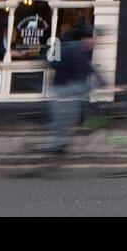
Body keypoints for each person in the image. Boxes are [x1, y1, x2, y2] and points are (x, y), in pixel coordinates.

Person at [43, 21, 96, 159]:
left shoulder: (82, 49)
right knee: (63, 118)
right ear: (85, 38)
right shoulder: (76, 50)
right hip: (63, 86)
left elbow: (91, 69)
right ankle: (54, 146)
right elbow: (87, 68)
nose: (94, 41)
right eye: (92, 38)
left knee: (70, 114)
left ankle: (60, 144)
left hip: (69, 86)